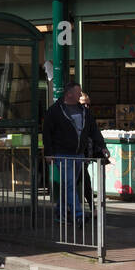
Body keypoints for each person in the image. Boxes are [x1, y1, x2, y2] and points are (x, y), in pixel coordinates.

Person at [41, 80, 109, 221]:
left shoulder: (84, 111)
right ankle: (78, 214)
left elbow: (93, 130)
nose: (80, 95)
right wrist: (49, 152)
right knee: (70, 184)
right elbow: (47, 133)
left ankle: (60, 213)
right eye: (78, 92)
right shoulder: (55, 111)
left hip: (78, 153)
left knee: (68, 185)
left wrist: (102, 146)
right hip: (63, 153)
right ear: (69, 94)